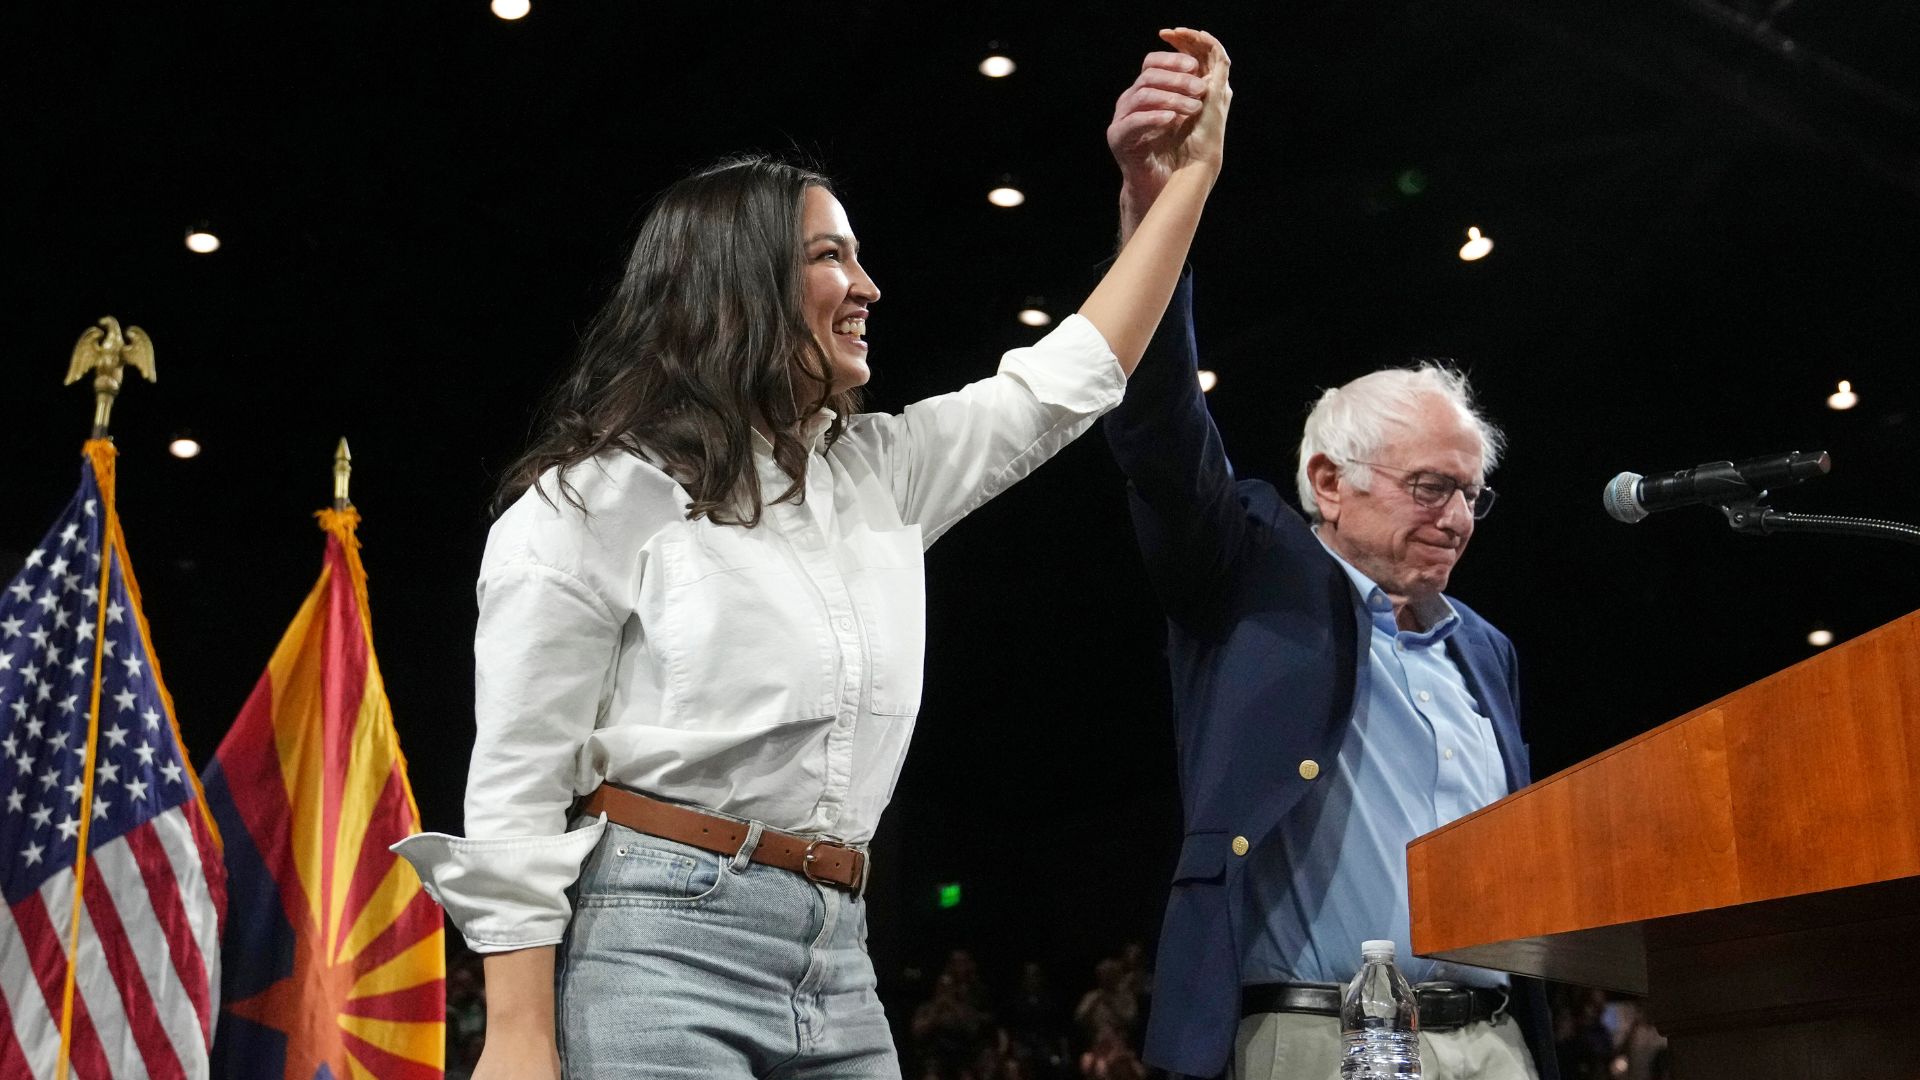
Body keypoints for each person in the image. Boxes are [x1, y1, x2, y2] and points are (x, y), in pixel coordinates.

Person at [392, 28, 1231, 1080]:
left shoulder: (881, 475)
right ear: (733, 285)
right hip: (653, 950)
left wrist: (1179, 185)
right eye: (831, 256)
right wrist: (519, 1036)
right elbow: (517, 782)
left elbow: (1069, 378)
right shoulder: (592, 499)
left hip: (838, 960)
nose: (868, 286)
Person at [1101, 49, 1557, 1080]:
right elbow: (1160, 426)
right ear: (1329, 481)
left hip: (1495, 1040)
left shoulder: (1486, 650)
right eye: (1429, 486)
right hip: (1321, 1038)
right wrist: (1155, 208)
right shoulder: (1249, 574)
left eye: (1472, 494)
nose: (1458, 518)